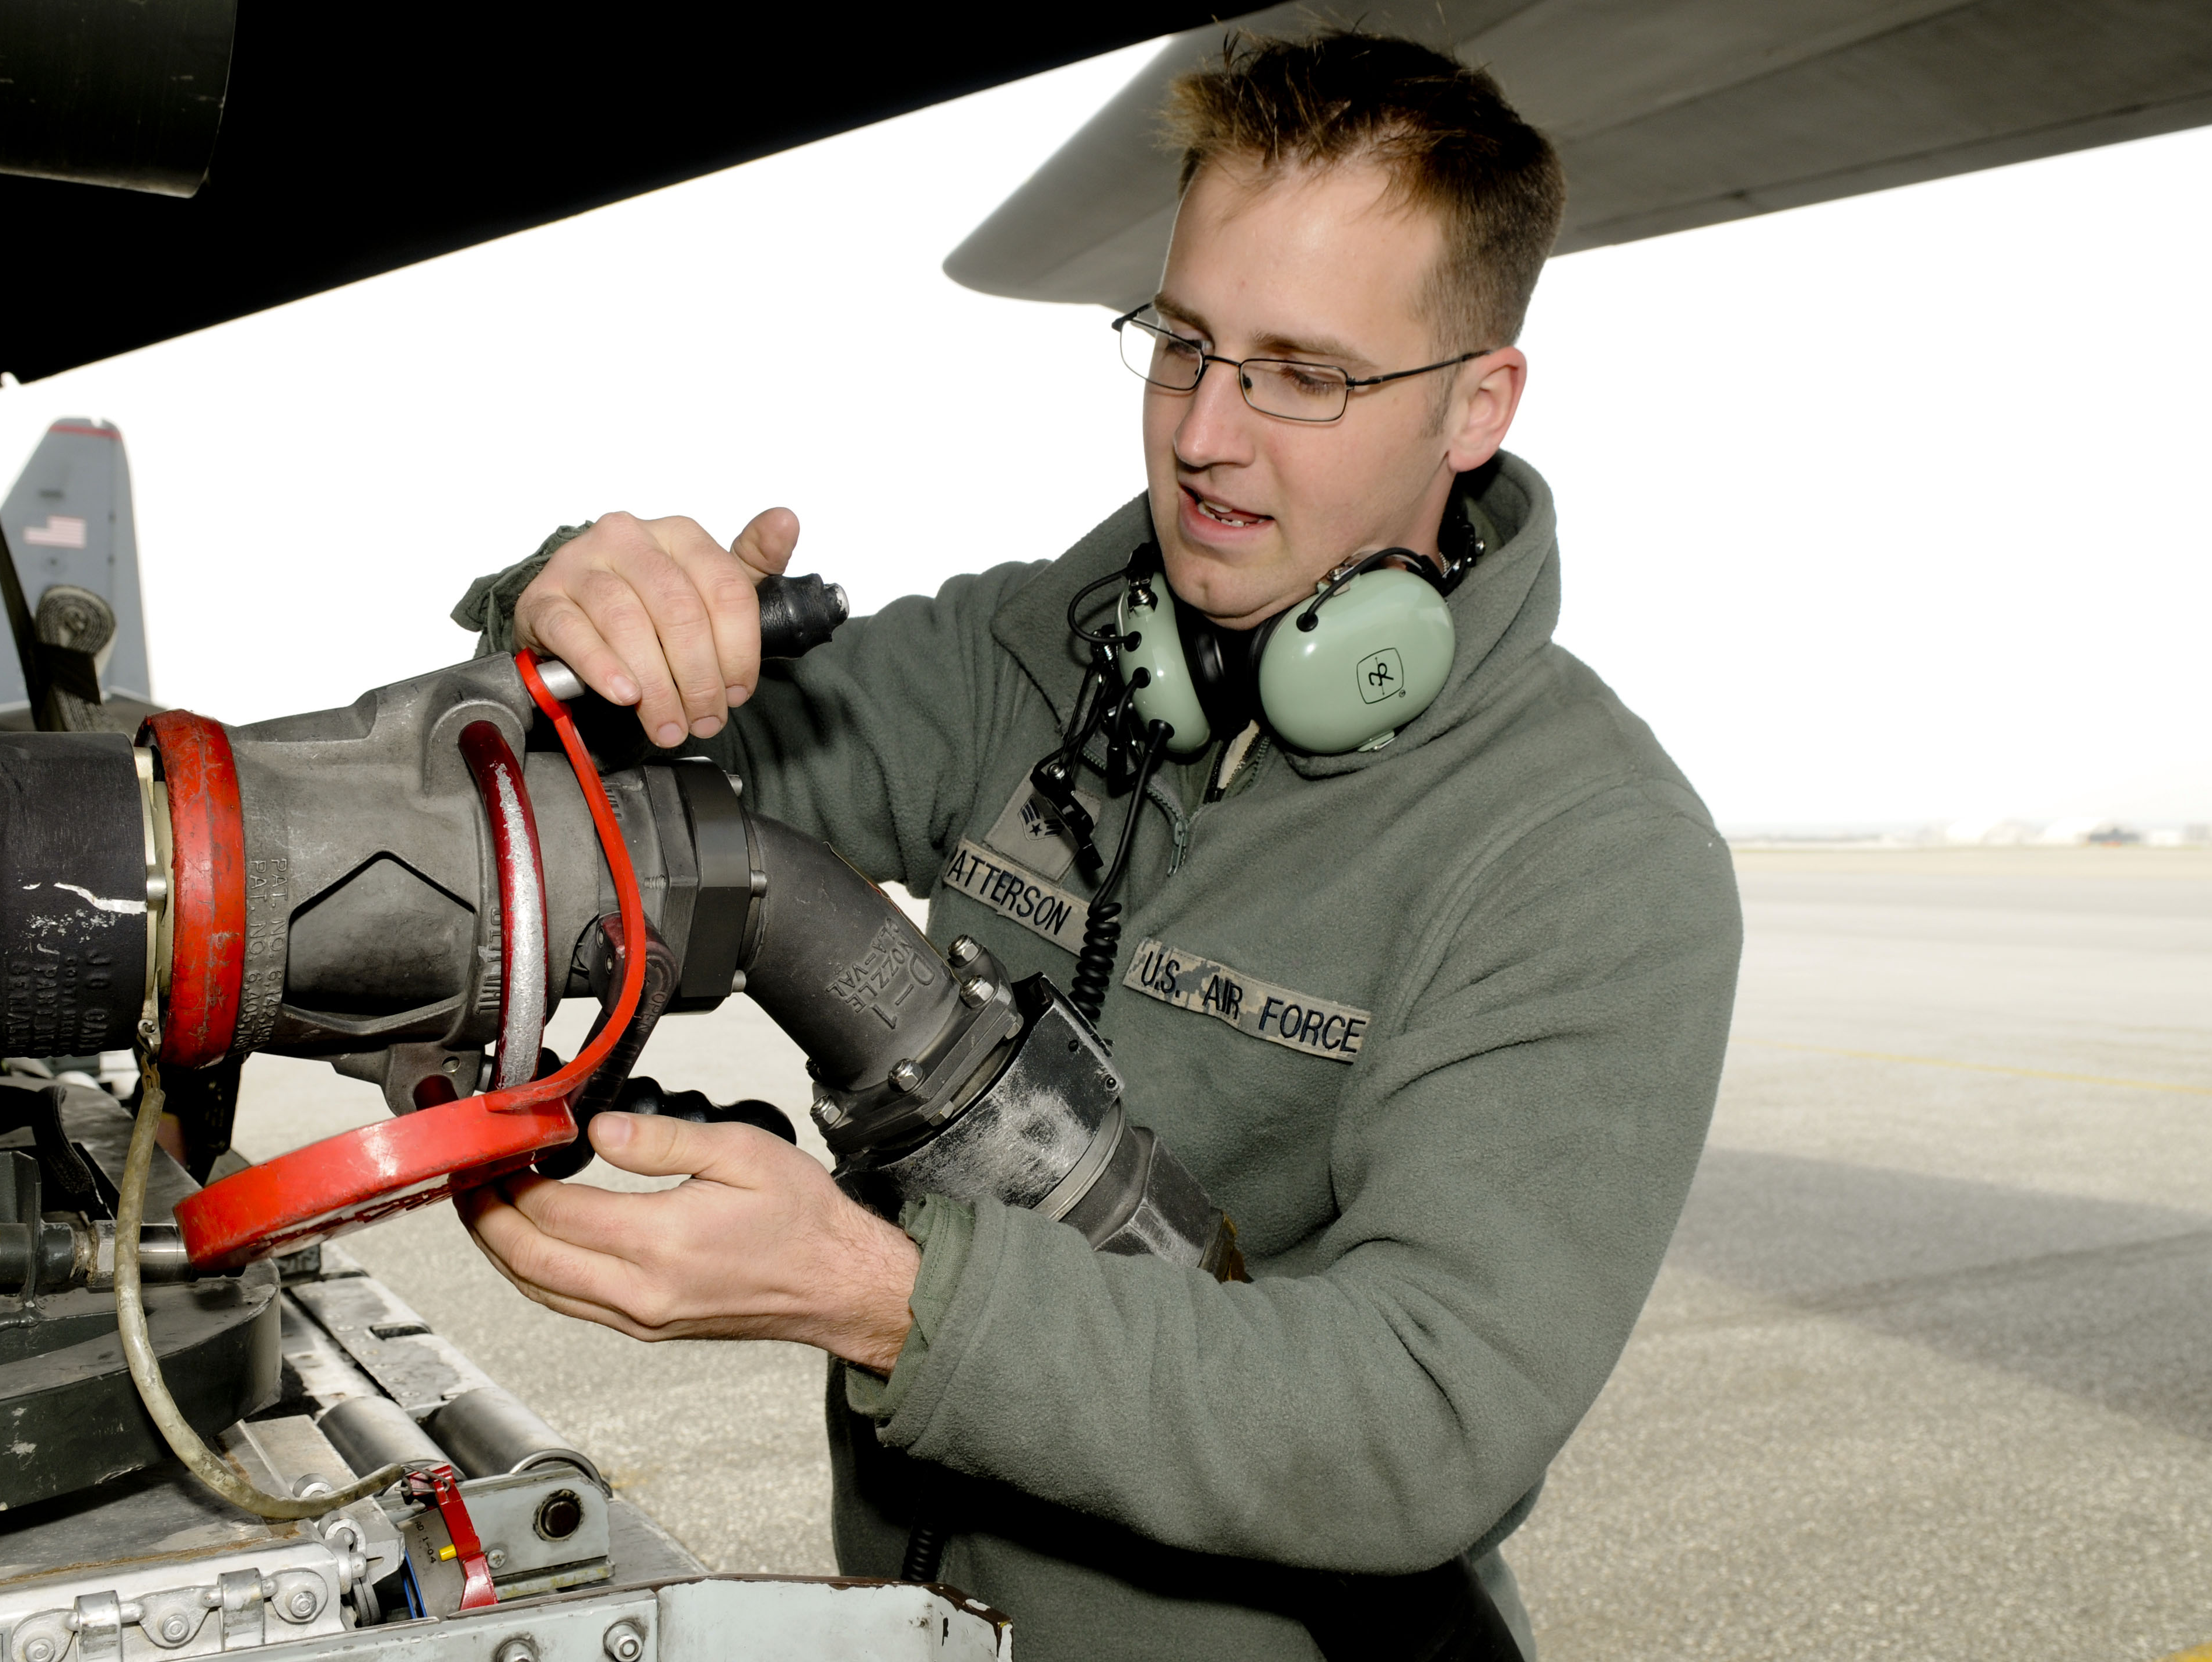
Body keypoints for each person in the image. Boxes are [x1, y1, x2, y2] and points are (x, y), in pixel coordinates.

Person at [449, 29, 1739, 1660]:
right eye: (1184, 343)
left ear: (1477, 403)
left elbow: (1424, 1420)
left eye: (1304, 375)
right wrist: (585, 611)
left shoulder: (1590, 853)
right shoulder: (1027, 654)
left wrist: (882, 1298)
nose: (1205, 433)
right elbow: (597, 784)